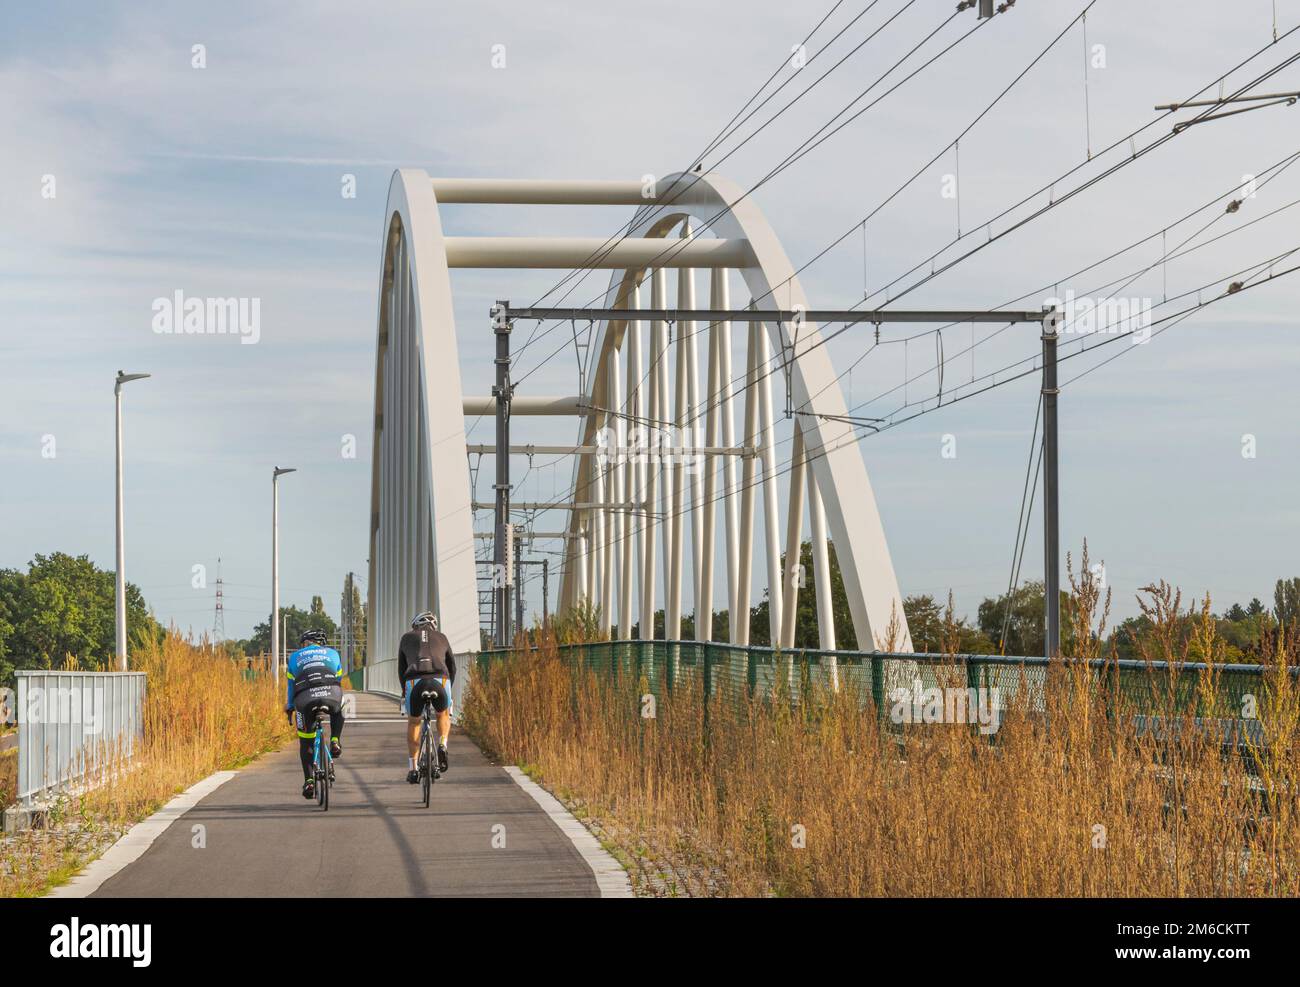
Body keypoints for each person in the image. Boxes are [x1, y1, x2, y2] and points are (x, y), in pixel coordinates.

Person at [285, 628, 345, 800]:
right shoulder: (333, 654)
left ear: (305, 643)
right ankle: (335, 740)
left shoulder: (295, 657)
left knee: (306, 742)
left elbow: (291, 688)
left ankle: (309, 781)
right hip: (331, 693)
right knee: (341, 705)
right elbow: (338, 681)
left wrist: (290, 707)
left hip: (305, 698)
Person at [398, 611, 455, 784]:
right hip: (440, 680)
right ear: (433, 626)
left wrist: (404, 691)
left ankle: (413, 769)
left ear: (415, 625)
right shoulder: (442, 637)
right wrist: (448, 689)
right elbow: (452, 666)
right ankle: (443, 743)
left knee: (414, 722)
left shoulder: (406, 637)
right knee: (442, 714)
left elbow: (401, 670)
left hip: (415, 682)